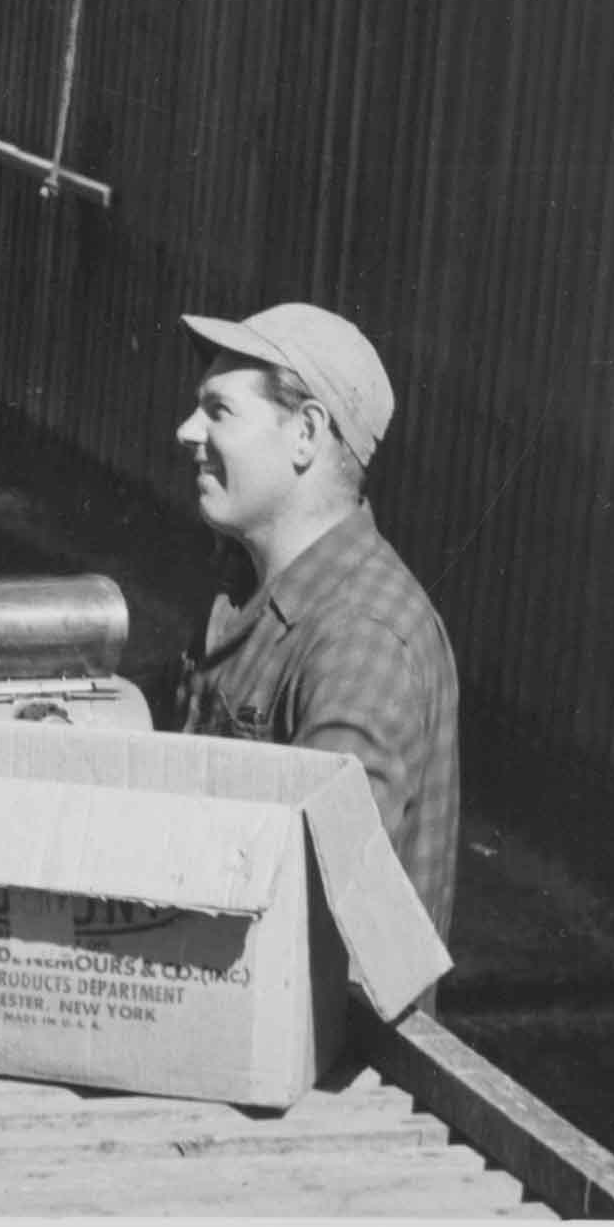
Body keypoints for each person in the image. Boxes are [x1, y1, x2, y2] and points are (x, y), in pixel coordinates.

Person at [174, 303, 460, 945]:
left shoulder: (362, 636)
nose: (186, 431)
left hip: (311, 1039)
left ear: (306, 434)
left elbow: (320, 896)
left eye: (218, 410)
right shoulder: (247, 587)